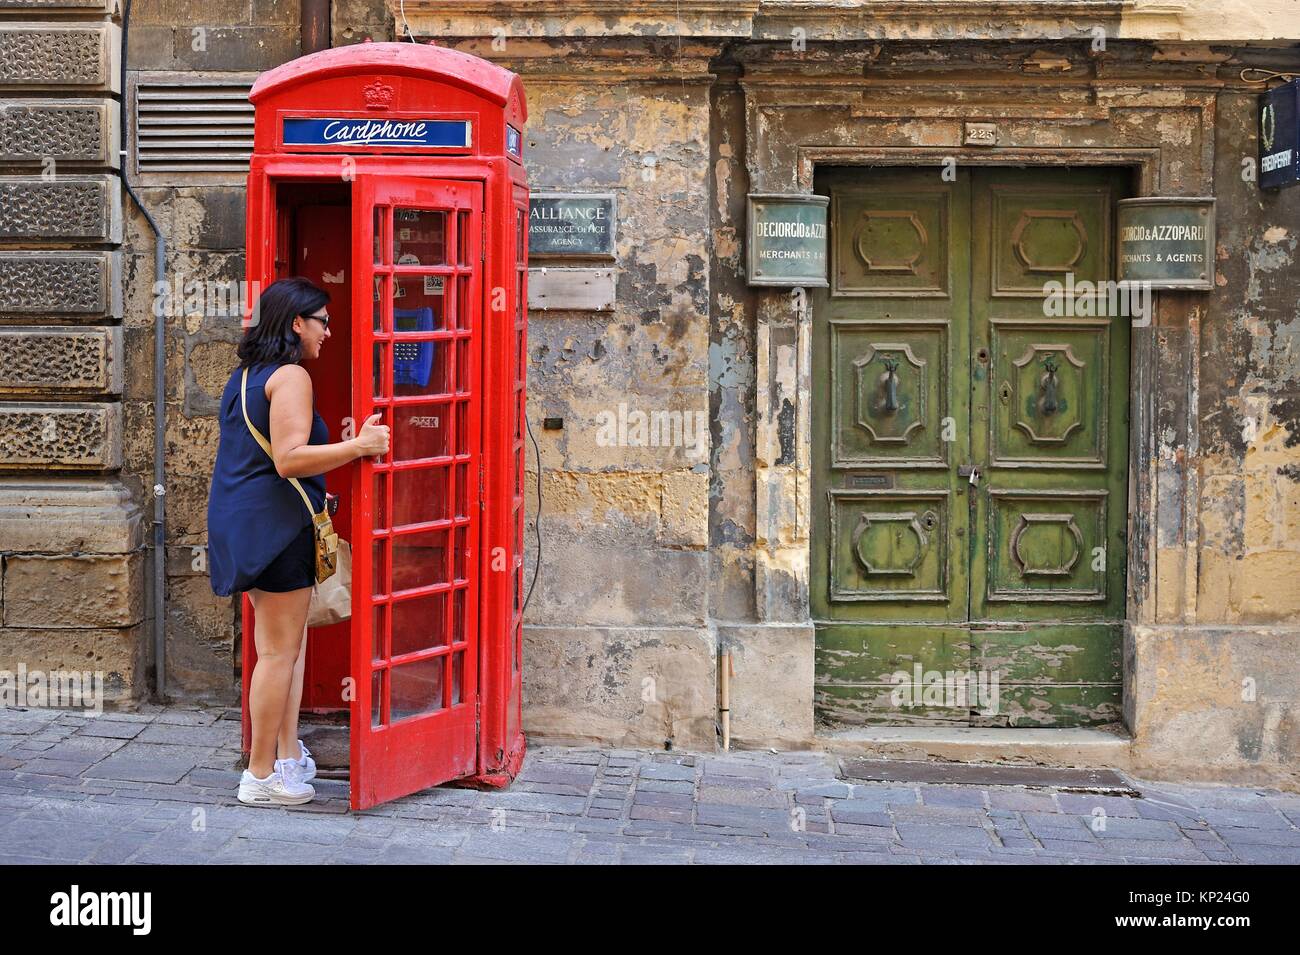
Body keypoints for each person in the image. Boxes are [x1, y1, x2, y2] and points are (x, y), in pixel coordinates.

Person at [206, 276, 389, 807]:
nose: (328, 333)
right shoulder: (291, 377)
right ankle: (260, 775)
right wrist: (360, 445)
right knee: (278, 654)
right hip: (279, 528)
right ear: (295, 323)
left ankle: (286, 759)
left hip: (245, 524)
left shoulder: (245, 375)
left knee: (286, 649)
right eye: (323, 322)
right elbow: (289, 458)